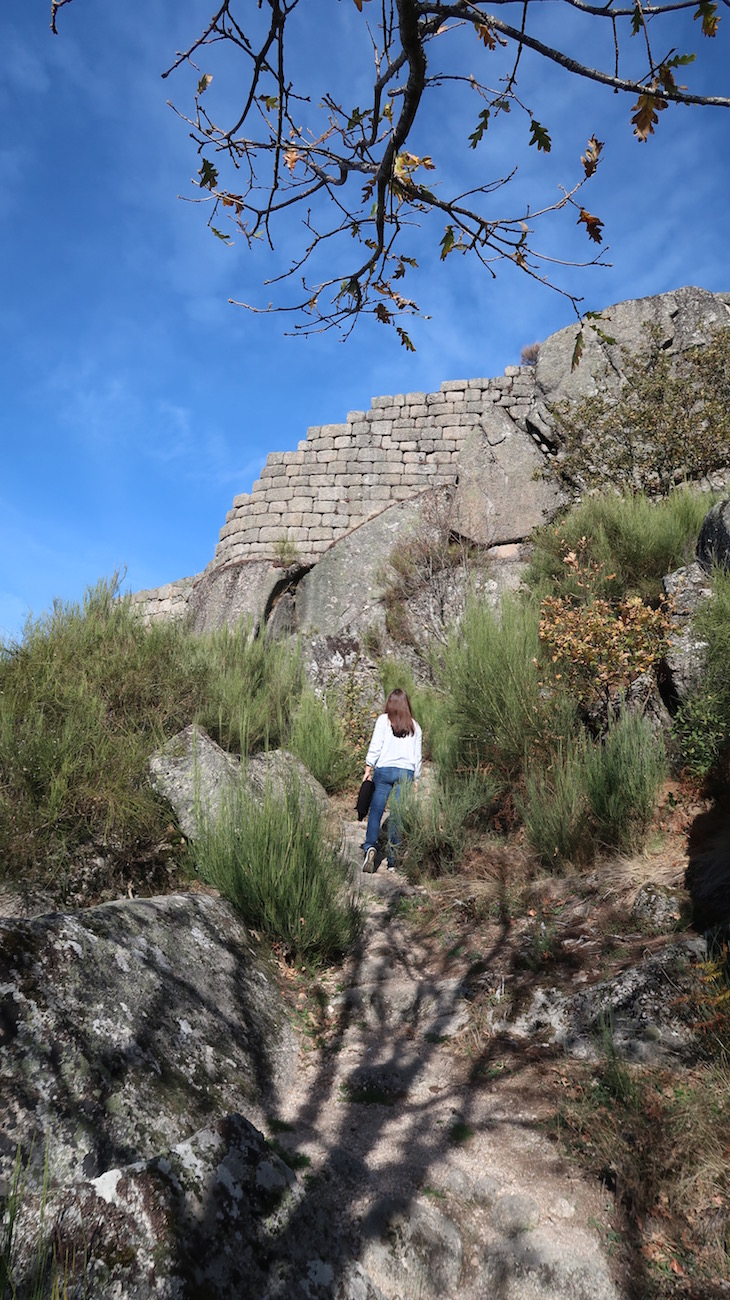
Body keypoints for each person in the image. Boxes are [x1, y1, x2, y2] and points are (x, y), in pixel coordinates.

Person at [362, 688, 422, 872]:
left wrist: (368, 767)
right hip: (406, 773)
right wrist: (417, 779)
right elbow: (417, 756)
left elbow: (375, 745)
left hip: (384, 770)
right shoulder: (414, 726)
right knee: (397, 815)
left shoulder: (383, 720)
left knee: (376, 810)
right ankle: (392, 860)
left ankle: (370, 847)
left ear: (389, 703)